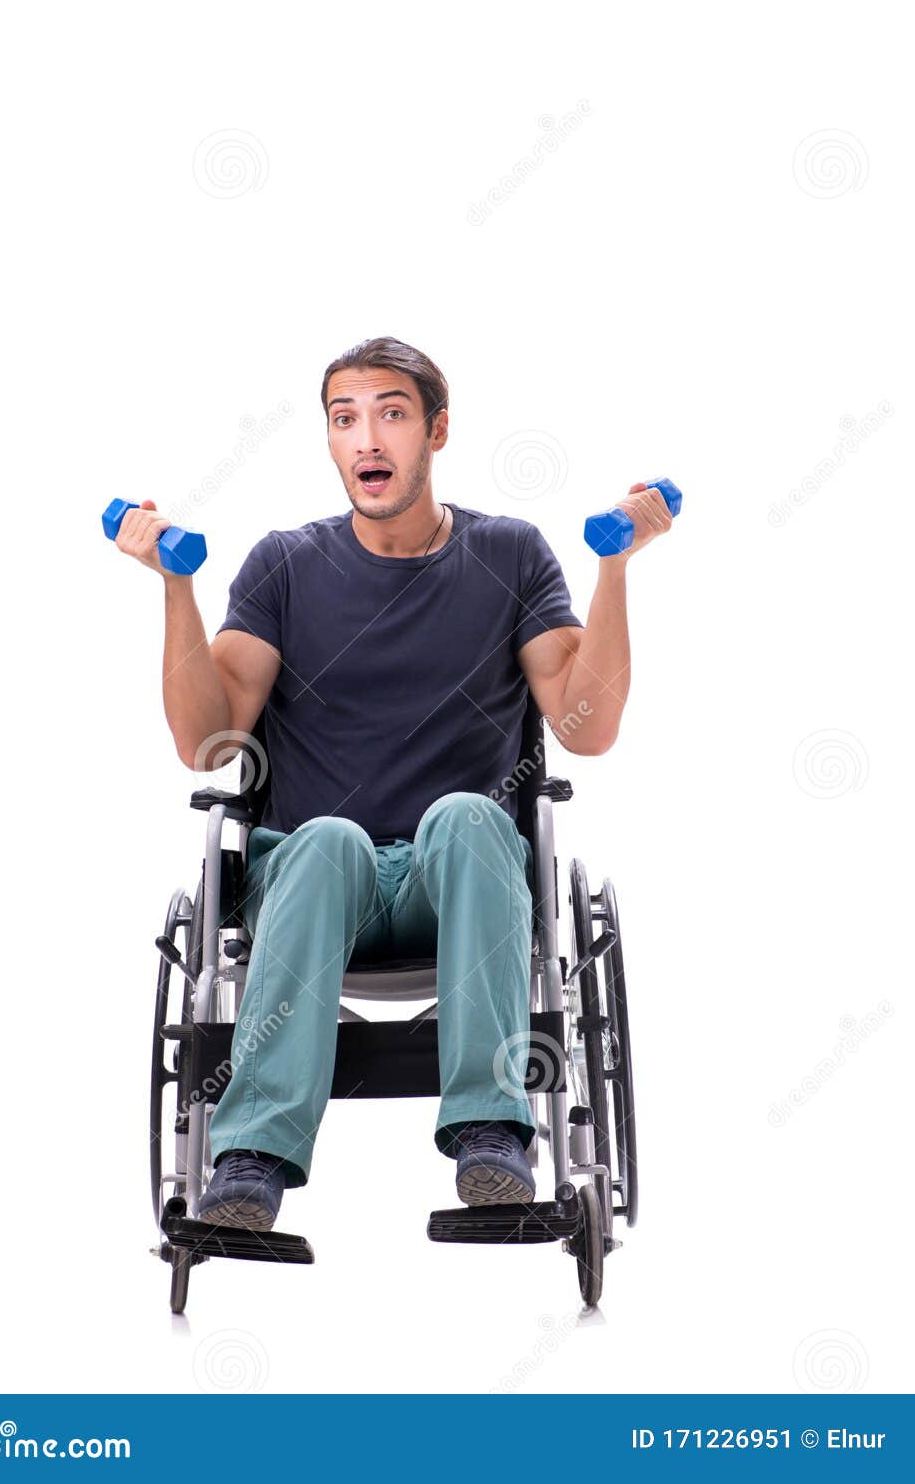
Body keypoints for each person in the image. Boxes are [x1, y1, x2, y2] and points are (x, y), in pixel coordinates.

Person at [114, 335, 673, 1230]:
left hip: (460, 884)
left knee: (466, 817)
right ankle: (252, 1153)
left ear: (437, 431)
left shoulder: (511, 555)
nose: (367, 439)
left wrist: (614, 567)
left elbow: (587, 726)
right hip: (313, 883)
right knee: (328, 839)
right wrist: (177, 590)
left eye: (391, 414)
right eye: (345, 419)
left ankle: (493, 1134)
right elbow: (207, 742)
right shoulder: (285, 565)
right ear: (330, 439)